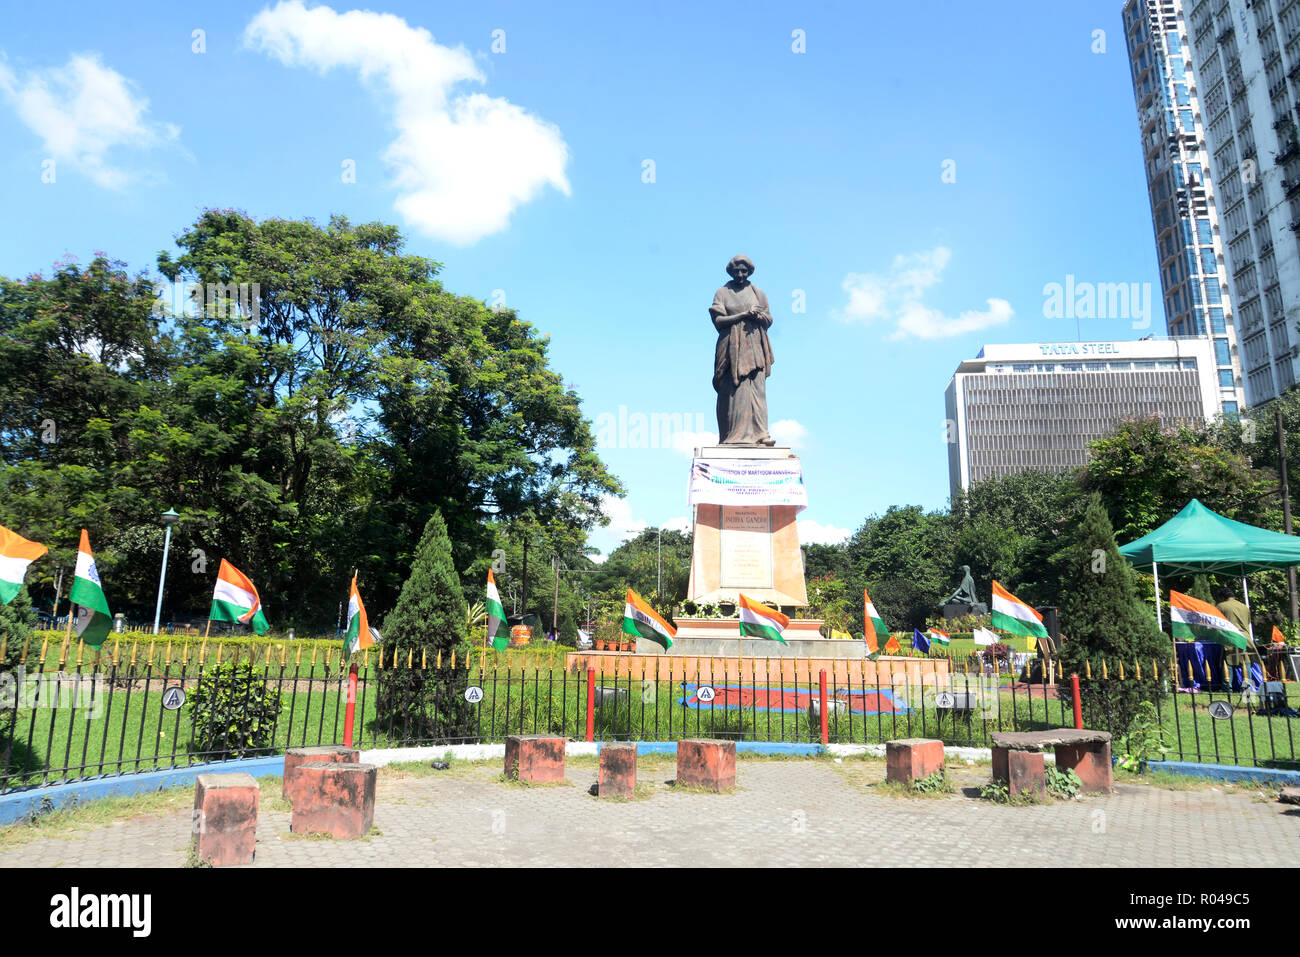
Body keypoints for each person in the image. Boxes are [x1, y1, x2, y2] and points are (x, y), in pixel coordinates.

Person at [710, 255, 775, 446]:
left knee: (757, 390)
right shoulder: (723, 292)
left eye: (744, 271)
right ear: (731, 271)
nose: (740, 274)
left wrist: (758, 316)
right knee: (733, 389)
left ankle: (761, 434)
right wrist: (744, 314)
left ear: (749, 272)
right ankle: (732, 435)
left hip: (754, 345)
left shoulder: (757, 292)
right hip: (731, 346)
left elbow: (769, 320)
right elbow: (719, 321)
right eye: (737, 271)